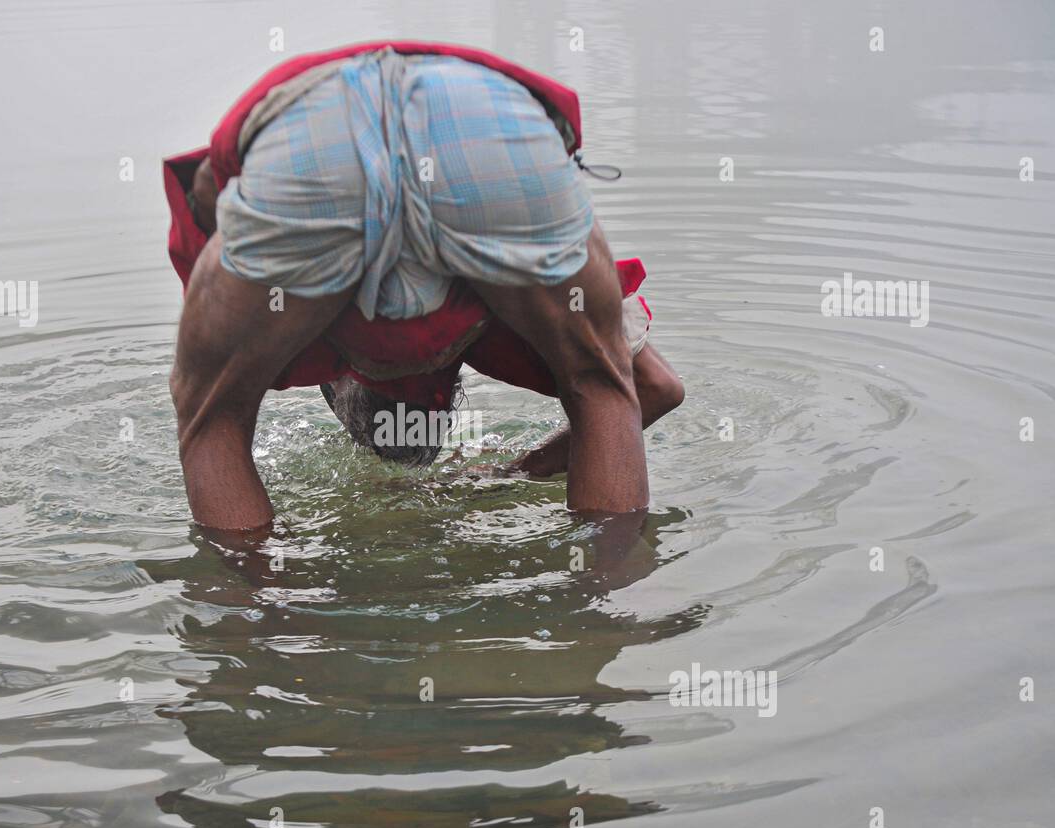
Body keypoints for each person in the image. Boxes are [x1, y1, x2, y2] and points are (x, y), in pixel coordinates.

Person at [168, 45, 684, 530]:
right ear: (454, 359)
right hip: (485, 135)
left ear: (333, 378)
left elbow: (212, 191)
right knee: (600, 384)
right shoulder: (508, 321)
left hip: (328, 144)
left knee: (214, 417)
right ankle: (606, 612)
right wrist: (518, 472)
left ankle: (251, 617)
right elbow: (655, 388)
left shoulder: (293, 333)